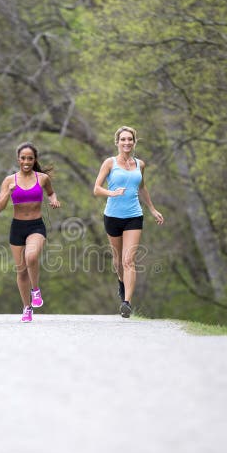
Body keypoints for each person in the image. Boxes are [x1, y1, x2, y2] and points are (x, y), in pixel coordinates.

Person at [93, 126, 164, 318]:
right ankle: (121, 282)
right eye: (123, 139)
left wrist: (152, 209)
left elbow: (142, 187)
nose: (126, 143)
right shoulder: (110, 163)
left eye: (130, 139)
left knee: (129, 260)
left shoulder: (140, 164)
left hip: (134, 216)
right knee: (118, 261)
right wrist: (111, 192)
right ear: (117, 142)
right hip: (112, 216)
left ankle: (127, 303)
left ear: (134, 142)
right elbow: (96, 188)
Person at [0, 141, 60, 322]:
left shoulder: (42, 178)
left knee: (31, 257)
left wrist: (54, 200)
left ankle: (36, 290)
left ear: (34, 159)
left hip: (36, 226)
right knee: (21, 271)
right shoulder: (9, 180)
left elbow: (51, 193)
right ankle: (26, 307)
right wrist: (8, 193)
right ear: (18, 159)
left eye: (30, 158)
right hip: (17, 227)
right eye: (23, 158)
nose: (26, 161)